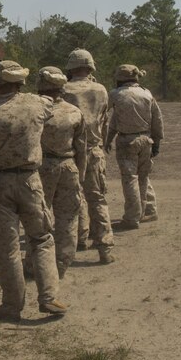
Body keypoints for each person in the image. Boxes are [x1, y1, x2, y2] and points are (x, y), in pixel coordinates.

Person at [0, 60, 66, 322]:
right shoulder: (39, 104)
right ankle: (49, 297)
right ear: (21, 81)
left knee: (7, 247)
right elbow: (55, 109)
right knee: (42, 238)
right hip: (30, 180)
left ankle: (12, 305)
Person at [62, 49, 116, 264]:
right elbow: (104, 120)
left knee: (73, 198)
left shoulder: (64, 89)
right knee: (97, 198)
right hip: (94, 149)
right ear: (91, 66)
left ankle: (79, 238)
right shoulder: (101, 90)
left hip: (70, 151)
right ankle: (105, 247)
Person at [36, 67, 87, 277]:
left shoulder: (34, 110)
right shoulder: (74, 111)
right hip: (68, 165)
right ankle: (62, 263)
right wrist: (80, 174)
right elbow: (81, 147)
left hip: (42, 167)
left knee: (40, 217)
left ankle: (38, 264)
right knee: (68, 218)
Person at [104, 65, 164, 228]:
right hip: (146, 140)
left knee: (130, 179)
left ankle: (132, 217)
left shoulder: (115, 95)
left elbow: (107, 116)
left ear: (120, 78)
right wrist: (157, 140)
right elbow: (157, 118)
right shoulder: (146, 93)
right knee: (143, 176)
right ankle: (149, 211)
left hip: (127, 142)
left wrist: (107, 139)